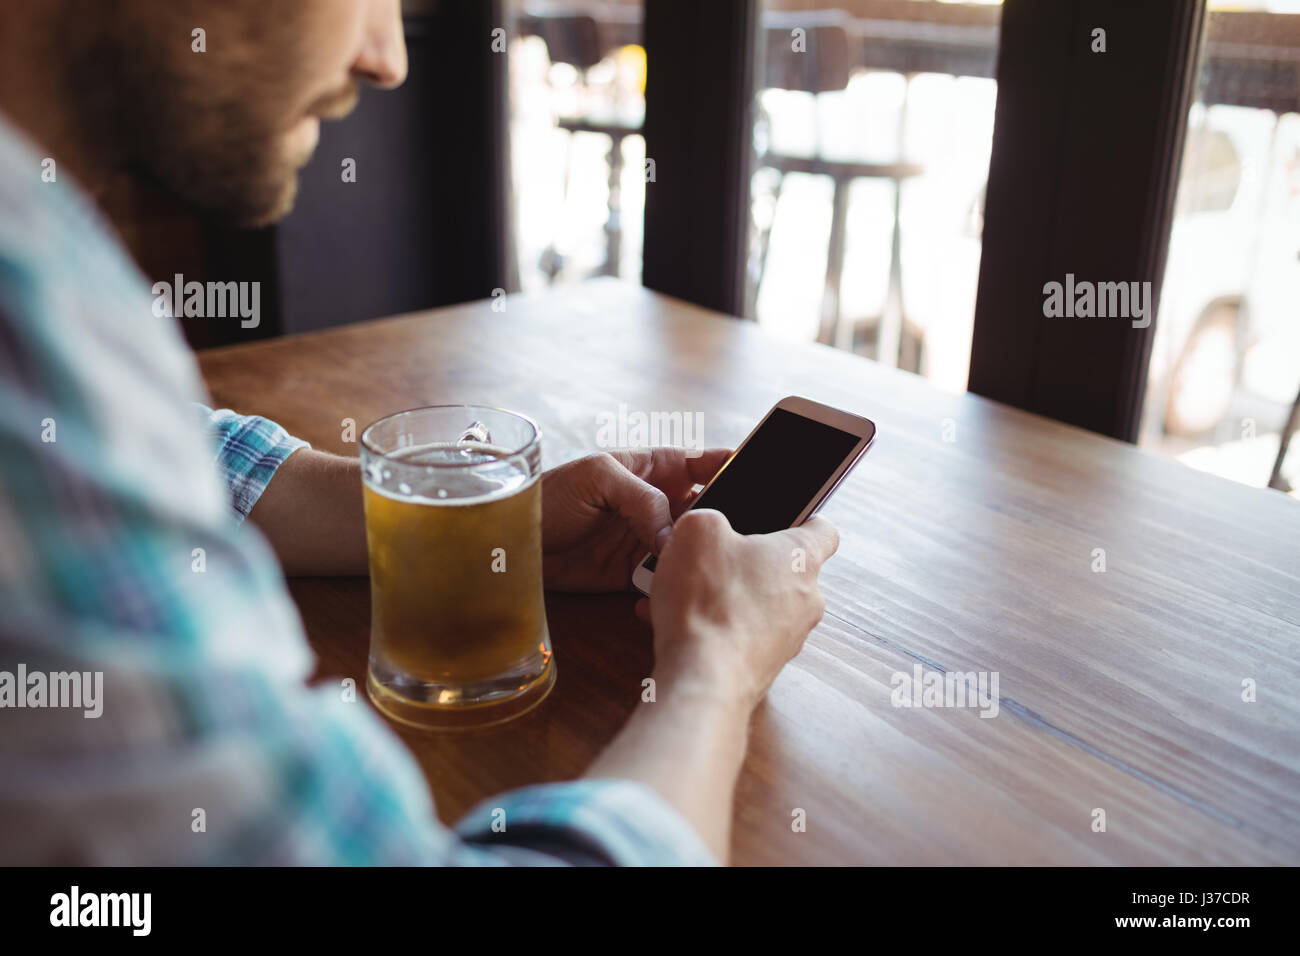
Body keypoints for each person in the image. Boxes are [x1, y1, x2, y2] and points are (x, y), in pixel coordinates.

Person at [0, 0, 839, 865]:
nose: (389, 58)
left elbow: (157, 448)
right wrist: (715, 662)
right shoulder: (28, 318)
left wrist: (464, 530)